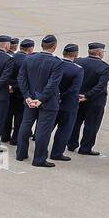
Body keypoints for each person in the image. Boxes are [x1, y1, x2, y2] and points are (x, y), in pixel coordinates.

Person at [15, 35, 65, 167]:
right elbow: (52, 84)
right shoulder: (57, 63)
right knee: (43, 131)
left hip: (30, 99)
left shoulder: (29, 58)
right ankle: (39, 159)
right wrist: (40, 99)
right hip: (47, 102)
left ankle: (21, 153)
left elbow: (21, 78)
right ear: (54, 47)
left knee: (25, 126)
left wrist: (27, 96)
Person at [69, 42, 109, 156]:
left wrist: (80, 95)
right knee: (92, 125)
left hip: (77, 98)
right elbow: (100, 86)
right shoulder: (105, 67)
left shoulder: (78, 61)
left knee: (75, 122)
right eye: (103, 52)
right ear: (99, 52)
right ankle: (85, 147)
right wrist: (87, 96)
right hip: (94, 101)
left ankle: (71, 144)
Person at [48, 44, 84, 161]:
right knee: (64, 130)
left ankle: (41, 148)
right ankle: (57, 153)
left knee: (47, 128)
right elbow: (74, 89)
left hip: (52, 101)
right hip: (68, 104)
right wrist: (62, 97)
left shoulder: (55, 63)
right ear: (76, 55)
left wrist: (56, 96)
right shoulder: (77, 69)